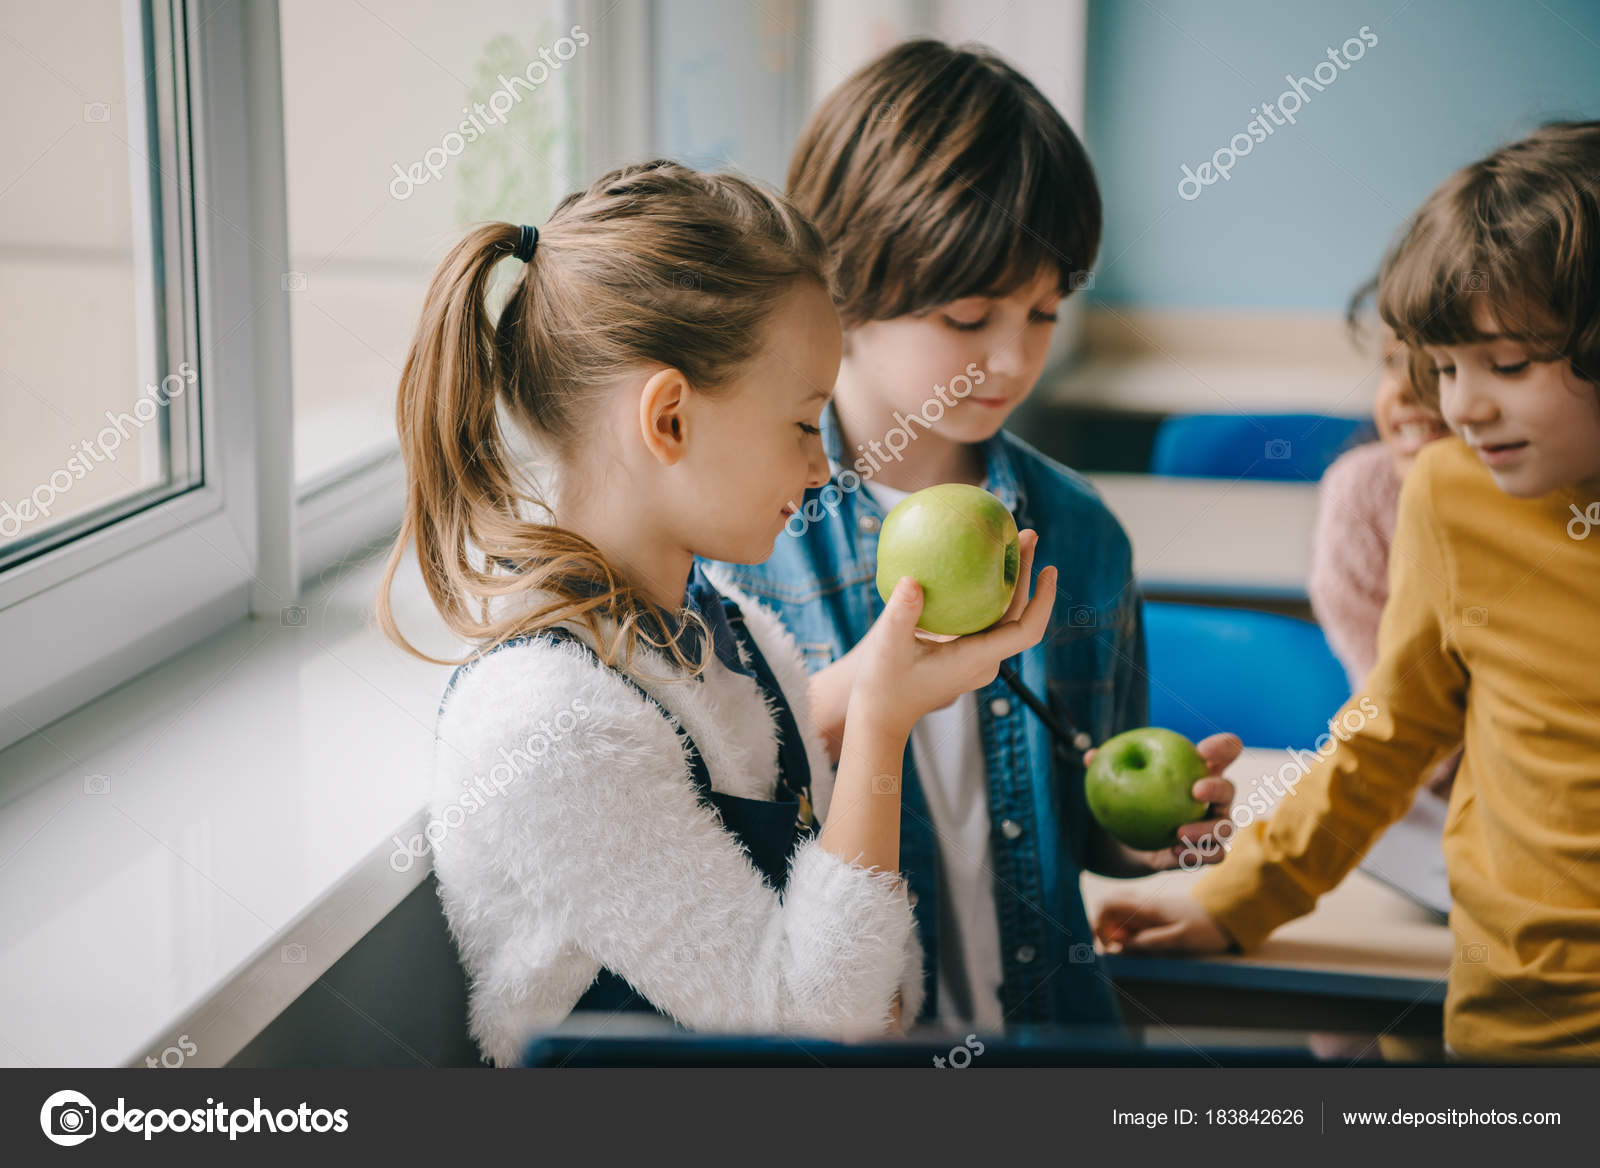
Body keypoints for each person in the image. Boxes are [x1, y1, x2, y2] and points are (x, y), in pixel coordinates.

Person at [375, 160, 1057, 1065]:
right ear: (668, 421)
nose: (821, 468)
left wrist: (913, 675)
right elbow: (815, 1027)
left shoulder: (725, 626)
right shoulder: (546, 722)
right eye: (804, 422)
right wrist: (885, 721)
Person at [706, 40, 1240, 1034]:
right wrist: (873, 686)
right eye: (966, 316)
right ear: (838, 292)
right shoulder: (738, 540)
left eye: (1043, 311)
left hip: (1046, 1040)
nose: (1013, 356)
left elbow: (1085, 811)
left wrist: (1159, 837)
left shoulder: (1077, 538)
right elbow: (709, 798)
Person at [1095, 122, 1600, 1061]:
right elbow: (1390, 731)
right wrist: (1240, 899)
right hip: (1516, 1034)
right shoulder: (1452, 495)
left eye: (1509, 365)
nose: (1462, 407)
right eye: (1444, 367)